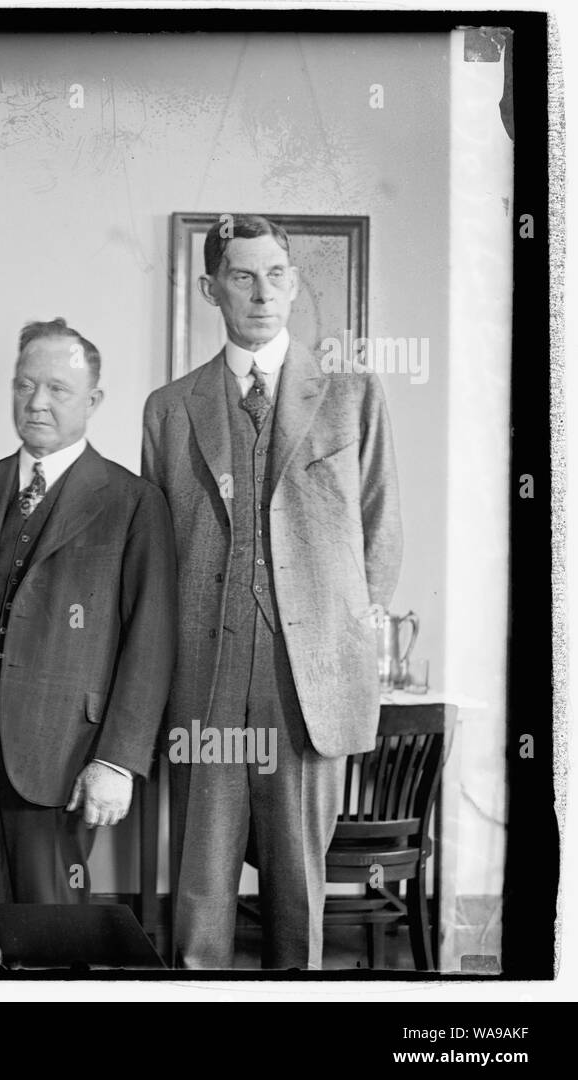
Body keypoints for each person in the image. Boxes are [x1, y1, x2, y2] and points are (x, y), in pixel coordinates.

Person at [141, 214, 403, 968]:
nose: (262, 292)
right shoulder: (170, 408)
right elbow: (158, 560)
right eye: (243, 276)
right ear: (210, 288)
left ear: (294, 285)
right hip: (205, 685)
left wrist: (341, 638)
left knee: (297, 898)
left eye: (276, 275)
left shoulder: (353, 396)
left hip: (308, 691)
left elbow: (380, 531)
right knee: (200, 898)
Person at [0, 318, 176, 904]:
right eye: (23, 386)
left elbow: (152, 641)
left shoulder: (131, 502)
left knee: (51, 919)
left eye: (57, 389)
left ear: (93, 400)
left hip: (61, 746)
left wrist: (117, 762)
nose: (36, 402)